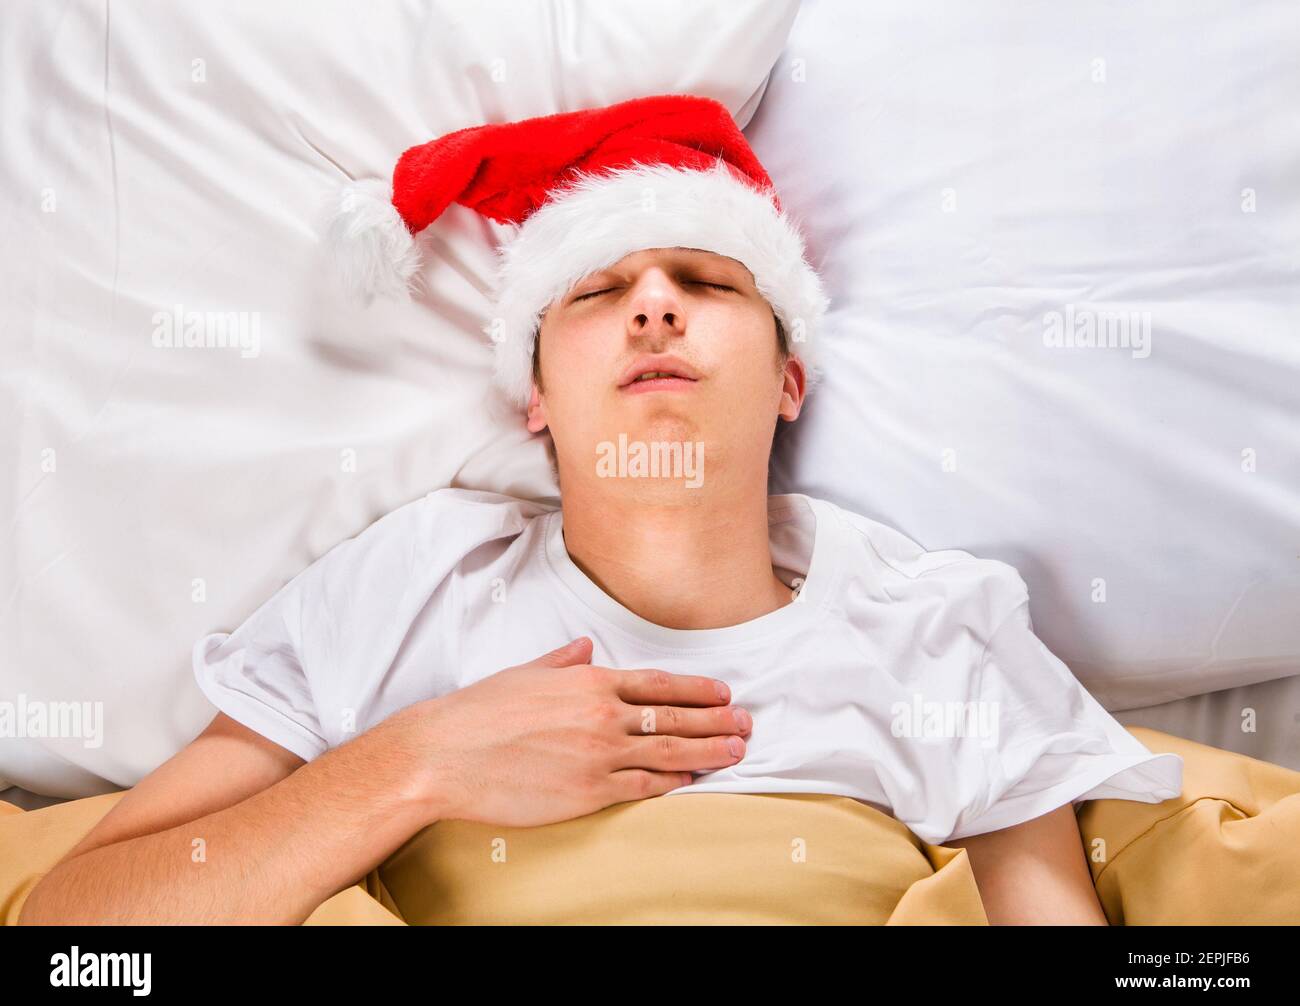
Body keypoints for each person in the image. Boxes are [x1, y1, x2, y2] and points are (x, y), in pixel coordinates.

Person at [19, 95, 1181, 926]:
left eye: (712, 281)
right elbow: (78, 937)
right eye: (600, 289)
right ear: (533, 397)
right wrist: (415, 762)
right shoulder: (413, 582)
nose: (657, 308)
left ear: (788, 381)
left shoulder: (934, 629)